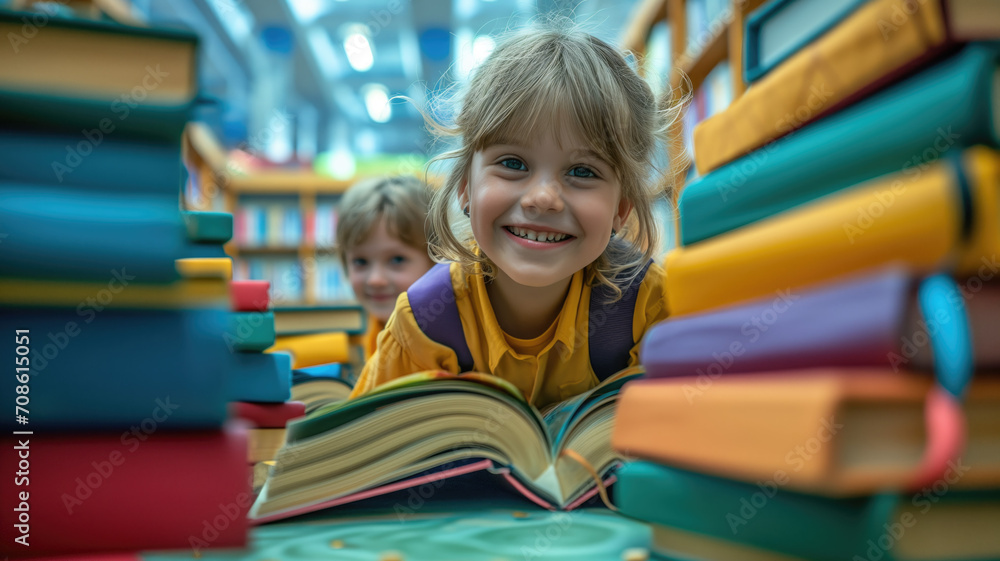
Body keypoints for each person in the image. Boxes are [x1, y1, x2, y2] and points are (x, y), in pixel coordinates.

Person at [348, 24, 685, 408]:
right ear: (464, 188)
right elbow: (356, 451)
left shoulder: (649, 306)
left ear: (621, 209)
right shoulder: (423, 323)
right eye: (512, 163)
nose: (543, 198)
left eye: (582, 171)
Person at [335, 175, 436, 360]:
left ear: (436, 260)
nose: (375, 279)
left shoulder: (440, 345)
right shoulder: (376, 331)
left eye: (397, 260)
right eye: (360, 262)